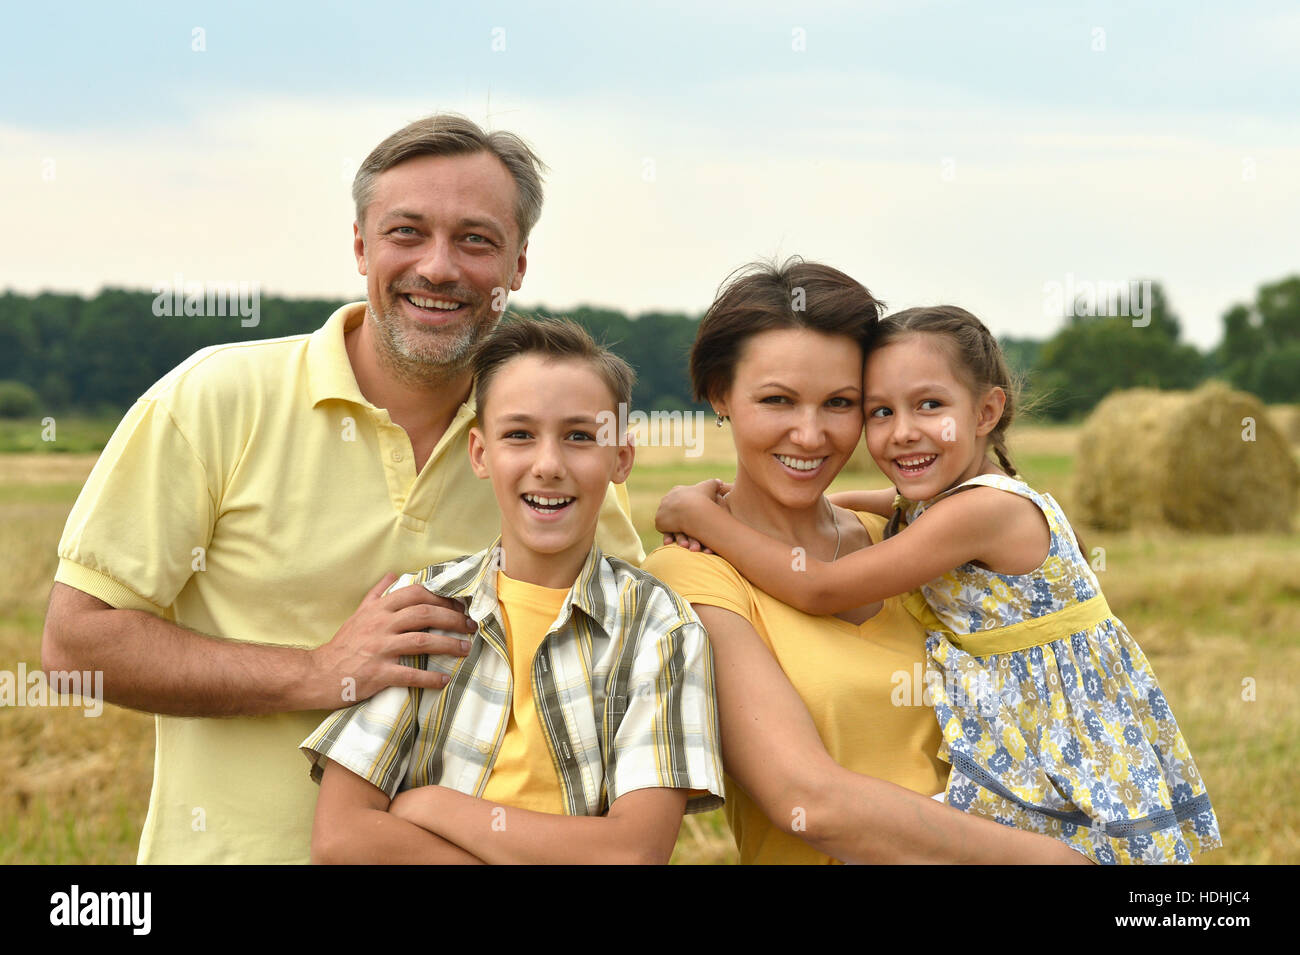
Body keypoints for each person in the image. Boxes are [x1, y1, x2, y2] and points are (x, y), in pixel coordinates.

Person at [40, 114, 644, 864]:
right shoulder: (213, 399)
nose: (438, 266)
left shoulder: (544, 455)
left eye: (476, 239)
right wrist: (320, 671)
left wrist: (723, 527)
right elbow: (75, 645)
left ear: (519, 262)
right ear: (360, 244)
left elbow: (631, 640)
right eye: (407, 232)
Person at [656, 303, 1222, 864]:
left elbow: (820, 588)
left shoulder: (977, 513)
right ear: (720, 396)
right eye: (879, 411)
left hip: (1060, 752)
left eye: (929, 405)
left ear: (986, 412)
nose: (903, 432)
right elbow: (855, 506)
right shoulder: (922, 513)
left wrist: (708, 518)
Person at [302, 318, 724, 864]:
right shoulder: (423, 607)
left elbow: (633, 855)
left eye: (579, 436)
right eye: (519, 434)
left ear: (621, 457)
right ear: (480, 453)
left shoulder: (659, 628)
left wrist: (432, 805)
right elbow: (341, 841)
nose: (547, 466)